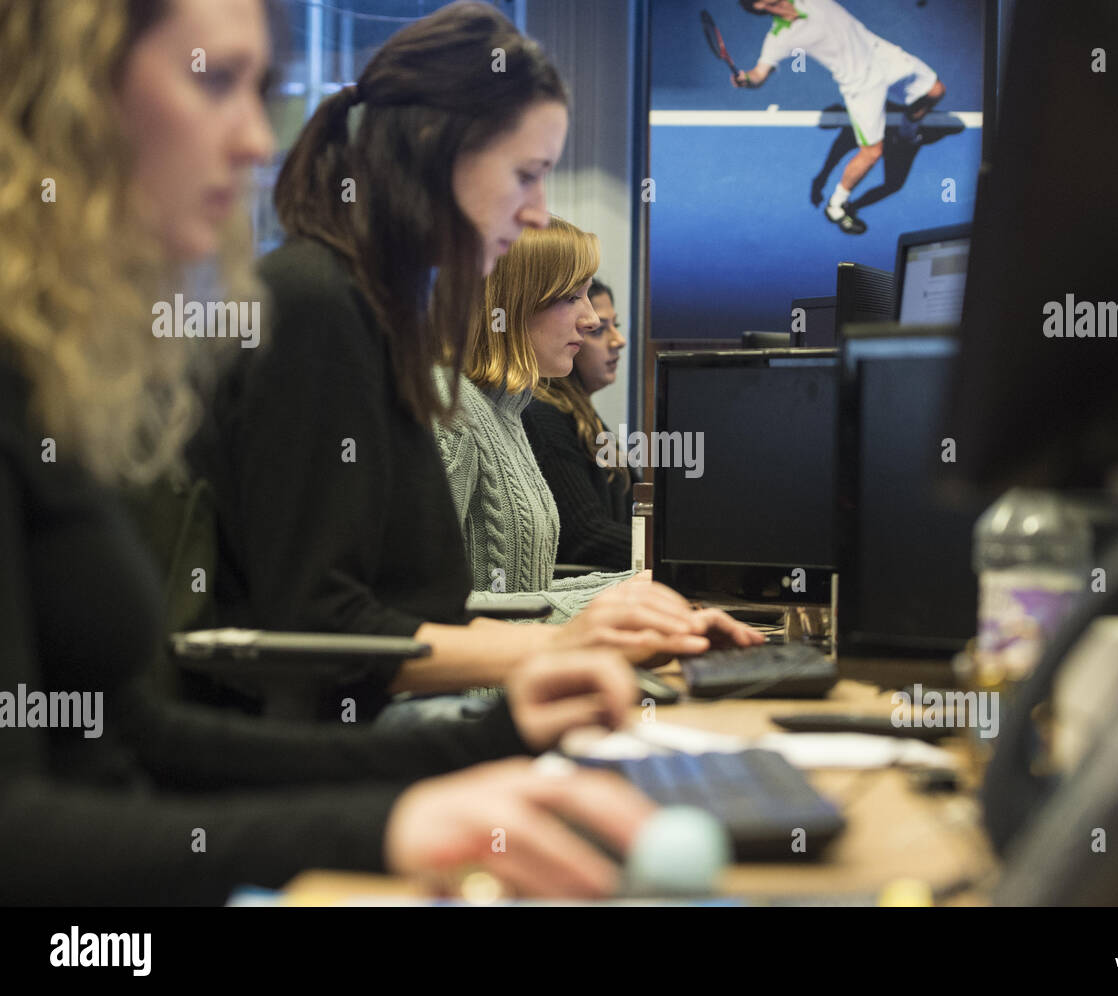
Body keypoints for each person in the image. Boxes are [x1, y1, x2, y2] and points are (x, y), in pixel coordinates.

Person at [0, 0, 666, 904]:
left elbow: (134, 737)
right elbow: (318, 620)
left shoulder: (64, 368)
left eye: (261, 88)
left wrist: (489, 738)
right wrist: (390, 821)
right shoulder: (312, 304)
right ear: (70, 95)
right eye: (213, 80)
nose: (250, 138)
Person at [189, 2, 762, 704]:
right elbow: (320, 630)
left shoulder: (376, 317)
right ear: (437, 149)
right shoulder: (316, 302)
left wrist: (610, 620)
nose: (537, 211)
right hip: (330, 765)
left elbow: (419, 608)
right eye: (527, 173)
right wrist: (561, 645)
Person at [435, 220, 638, 619]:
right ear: (514, 303)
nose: (591, 318)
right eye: (571, 297)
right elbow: (427, 608)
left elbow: (527, 591)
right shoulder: (451, 409)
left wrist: (635, 588)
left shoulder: (508, 411)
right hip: (484, 679)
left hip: (521, 669)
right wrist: (609, 604)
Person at [733, 0, 946, 235]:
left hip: (882, 55)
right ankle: (836, 204)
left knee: (935, 91)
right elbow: (760, 73)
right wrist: (747, 80)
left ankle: (906, 132)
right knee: (872, 152)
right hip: (860, 85)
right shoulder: (780, 37)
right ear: (760, 5)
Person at [524, 277, 637, 571]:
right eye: (599, 330)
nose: (619, 341)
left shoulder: (587, 420)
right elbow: (585, 536)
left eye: (616, 326)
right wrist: (672, 557)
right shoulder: (542, 415)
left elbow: (638, 504)